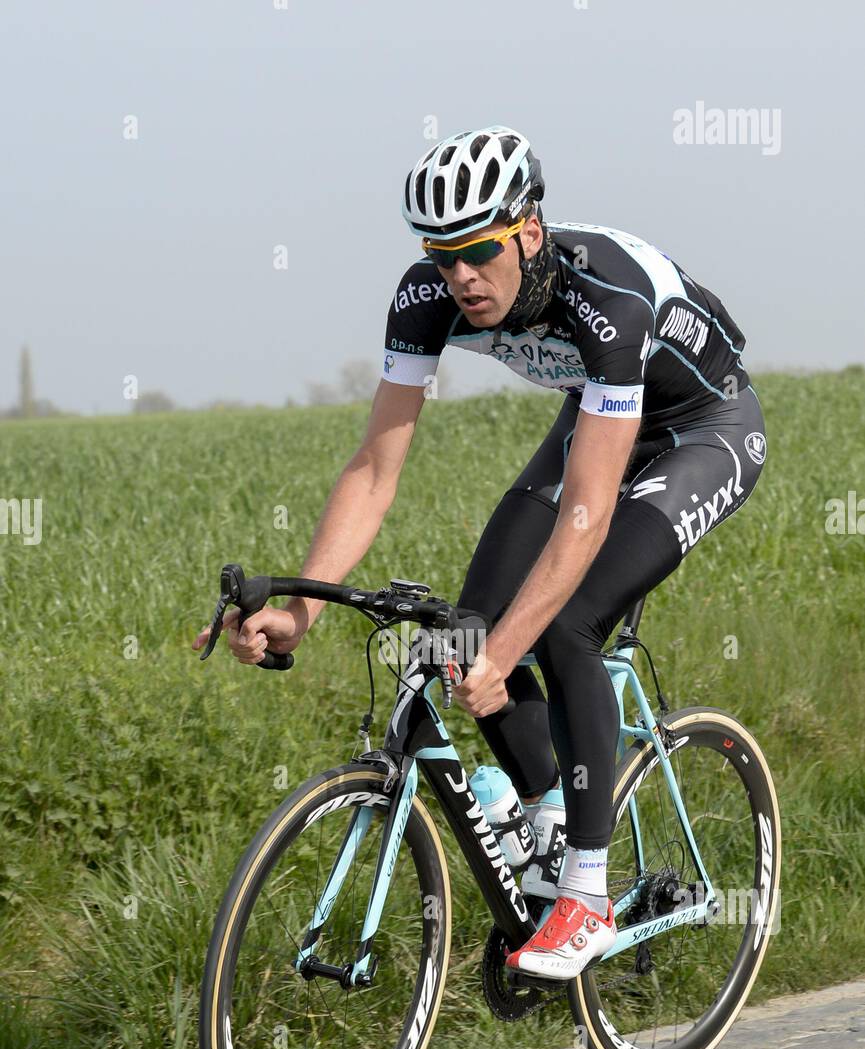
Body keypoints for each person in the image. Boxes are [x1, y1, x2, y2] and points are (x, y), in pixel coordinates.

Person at [195, 125, 767, 983]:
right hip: (594, 413)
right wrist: (299, 612)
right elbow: (374, 470)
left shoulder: (604, 300)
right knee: (459, 634)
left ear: (527, 233)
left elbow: (584, 514)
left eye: (478, 252)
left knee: (564, 623)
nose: (460, 276)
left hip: (700, 431)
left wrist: (508, 651)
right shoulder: (426, 297)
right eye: (441, 254)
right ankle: (544, 811)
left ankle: (586, 893)